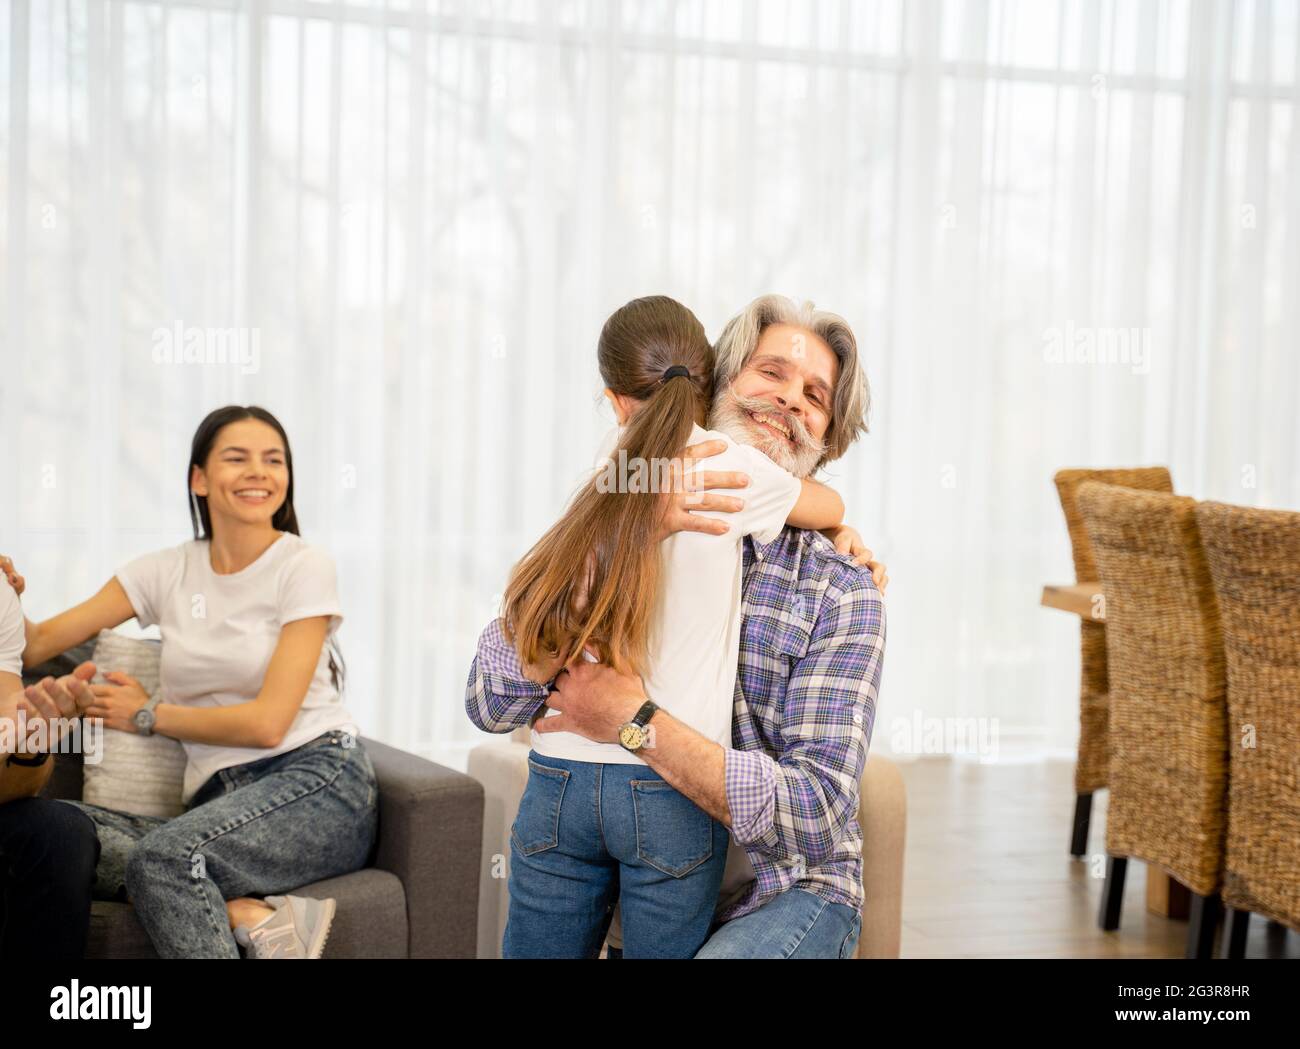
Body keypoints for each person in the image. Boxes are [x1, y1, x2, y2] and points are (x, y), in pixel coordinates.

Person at [469, 294, 886, 958]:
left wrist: (631, 719)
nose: (788, 400)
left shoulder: (839, 584)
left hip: (783, 889)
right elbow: (490, 702)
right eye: (772, 372)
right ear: (715, 380)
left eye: (815, 394)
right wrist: (623, 538)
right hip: (654, 845)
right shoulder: (624, 494)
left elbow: (816, 814)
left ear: (829, 435)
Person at [0, 405, 376, 958]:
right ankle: (247, 913)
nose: (259, 472)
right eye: (237, 458)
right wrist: (6, 589)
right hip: (215, 805)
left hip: (316, 779)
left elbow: (270, 723)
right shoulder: (163, 571)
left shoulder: (303, 566)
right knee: (53, 826)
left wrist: (147, 715)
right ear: (199, 478)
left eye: (274, 460)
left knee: (168, 859)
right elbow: (34, 645)